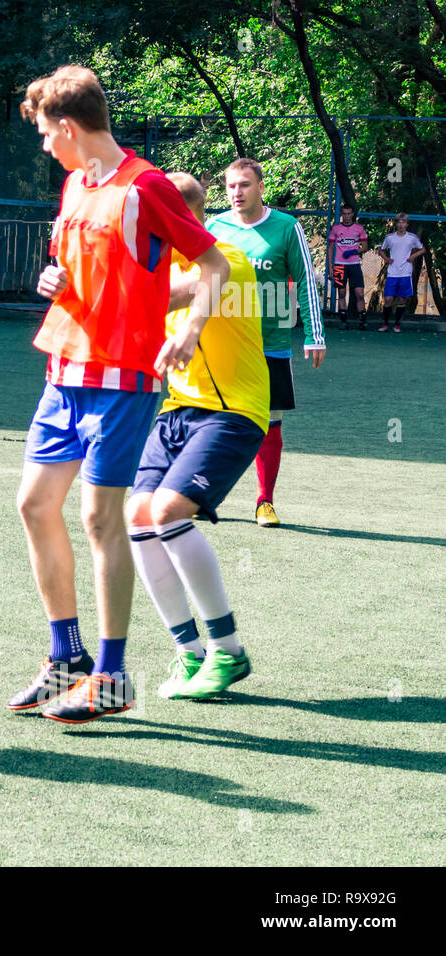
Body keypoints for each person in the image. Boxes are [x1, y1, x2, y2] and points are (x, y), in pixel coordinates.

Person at [9, 66, 229, 725]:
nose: (46, 146)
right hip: (63, 374)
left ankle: (111, 675)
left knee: (100, 520)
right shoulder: (76, 185)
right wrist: (54, 276)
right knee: (33, 505)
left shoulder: (147, 187)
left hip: (123, 381)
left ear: (70, 127)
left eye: (48, 134)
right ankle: (65, 658)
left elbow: (211, 264)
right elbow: (76, 265)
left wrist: (190, 330)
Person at [129, 173, 268, 701]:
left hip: (231, 413)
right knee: (138, 516)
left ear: (179, 218)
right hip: (176, 412)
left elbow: (176, 293)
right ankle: (189, 651)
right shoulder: (156, 264)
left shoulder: (227, 259)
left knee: (167, 512)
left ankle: (227, 651)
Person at [206, 158, 326, 528]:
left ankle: (264, 502)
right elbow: (199, 278)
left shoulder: (287, 228)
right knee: (214, 420)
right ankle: (204, 496)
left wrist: (314, 333)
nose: (236, 192)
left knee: (269, 424)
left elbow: (306, 281)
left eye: (244, 184)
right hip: (224, 343)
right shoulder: (215, 226)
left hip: (270, 343)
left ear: (261, 186)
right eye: (230, 186)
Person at [377, 213, 423, 332]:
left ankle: (397, 324)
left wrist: (413, 256)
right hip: (393, 273)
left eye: (403, 222)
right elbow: (381, 250)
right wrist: (386, 259)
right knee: (388, 299)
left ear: (407, 224)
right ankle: (385, 324)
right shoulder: (390, 237)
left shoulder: (412, 237)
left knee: (402, 299)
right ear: (396, 224)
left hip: (405, 273)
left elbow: (422, 249)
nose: (401, 224)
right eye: (399, 222)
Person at [327, 204, 369, 329]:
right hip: (340, 265)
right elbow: (330, 248)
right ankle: (344, 322)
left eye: (348, 213)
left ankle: (363, 321)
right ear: (341, 214)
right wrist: (330, 268)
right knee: (341, 293)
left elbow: (365, 247)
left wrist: (353, 251)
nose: (346, 216)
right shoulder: (336, 228)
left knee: (359, 293)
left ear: (352, 214)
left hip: (354, 265)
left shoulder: (359, 228)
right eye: (344, 214)